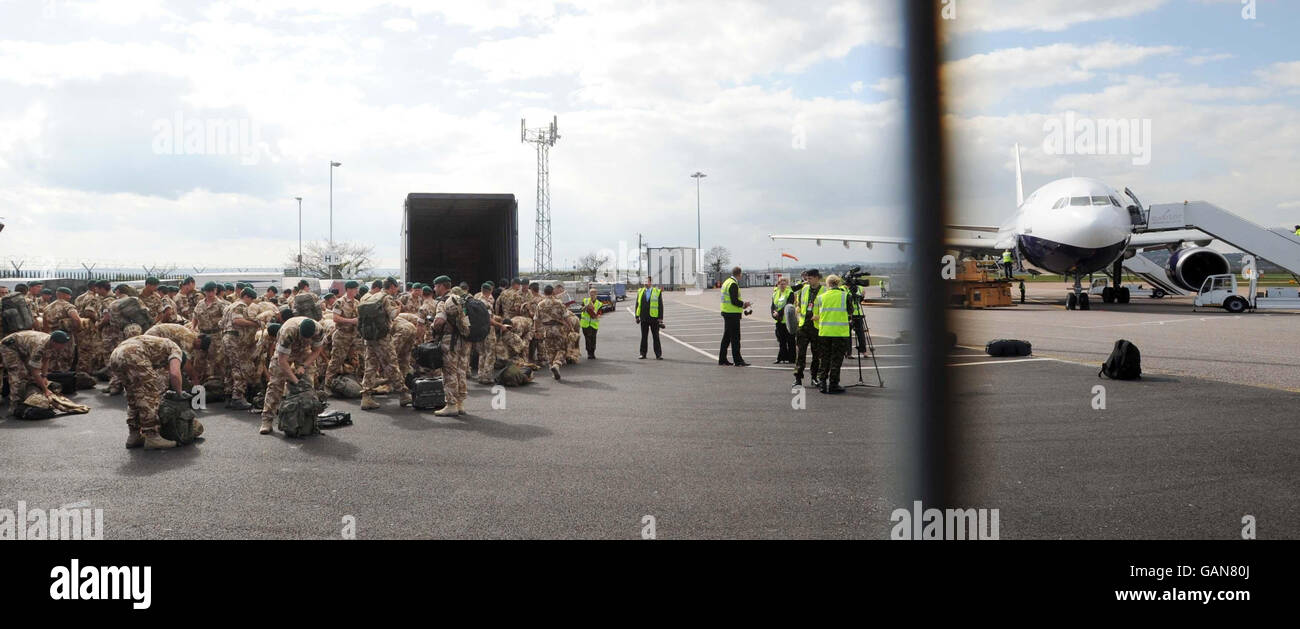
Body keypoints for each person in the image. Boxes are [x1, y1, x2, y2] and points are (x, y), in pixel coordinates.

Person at [109, 335, 189, 449]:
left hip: (115, 356)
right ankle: (152, 436)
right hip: (133, 354)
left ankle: (134, 435)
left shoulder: (160, 348)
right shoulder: (176, 351)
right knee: (149, 394)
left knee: (133, 396)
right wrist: (179, 392)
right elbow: (175, 374)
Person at [260, 316, 325, 435]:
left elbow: (316, 351)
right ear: (299, 331)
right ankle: (267, 420)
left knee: (308, 385)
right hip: (285, 353)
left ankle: (309, 421)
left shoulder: (318, 330)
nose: (306, 340)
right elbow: (282, 361)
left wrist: (303, 366)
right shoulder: (288, 331)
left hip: (304, 352)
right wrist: (295, 380)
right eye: (304, 338)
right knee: (275, 384)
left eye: (308, 338)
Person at [358, 277, 412, 410]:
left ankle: (366, 397)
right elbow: (393, 315)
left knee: (370, 365)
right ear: (392, 287)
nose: (397, 289)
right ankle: (404, 393)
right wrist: (399, 307)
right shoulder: (386, 298)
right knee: (392, 364)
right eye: (396, 287)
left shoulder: (368, 297)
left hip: (369, 336)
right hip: (382, 338)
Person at [1, 329, 70, 415]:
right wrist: (45, 390)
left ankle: (26, 396)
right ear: (54, 342)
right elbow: (35, 372)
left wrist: (44, 376)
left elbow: (45, 360)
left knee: (30, 375)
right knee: (19, 373)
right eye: (62, 344)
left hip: (23, 348)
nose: (64, 347)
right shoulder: (40, 346)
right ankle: (15, 405)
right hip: (9, 346)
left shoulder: (50, 343)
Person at [430, 275, 472, 416]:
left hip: (450, 341)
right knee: (461, 371)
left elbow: (439, 322)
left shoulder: (444, 301)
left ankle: (451, 404)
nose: (434, 289)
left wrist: (432, 326)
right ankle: (460, 404)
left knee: (449, 372)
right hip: (464, 340)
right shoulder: (461, 299)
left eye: (435, 286)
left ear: (441, 286)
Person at [220, 288, 261, 410]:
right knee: (239, 367)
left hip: (226, 337)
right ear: (247, 297)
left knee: (229, 367)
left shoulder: (229, 306)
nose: (251, 302)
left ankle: (228, 395)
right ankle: (237, 397)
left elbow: (221, 323)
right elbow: (237, 320)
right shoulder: (240, 305)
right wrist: (254, 323)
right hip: (234, 339)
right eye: (251, 299)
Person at [813, 275, 850, 393]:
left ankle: (822, 383)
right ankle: (834, 384)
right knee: (836, 359)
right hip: (840, 332)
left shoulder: (821, 297)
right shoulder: (844, 296)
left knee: (824, 359)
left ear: (827, 284)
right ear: (838, 283)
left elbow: (817, 314)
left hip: (824, 332)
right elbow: (851, 311)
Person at [325, 280, 361, 388]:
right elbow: (335, 318)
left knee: (356, 359)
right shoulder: (340, 302)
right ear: (349, 289)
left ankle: (356, 383)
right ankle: (328, 384)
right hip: (342, 336)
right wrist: (351, 321)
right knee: (336, 361)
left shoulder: (357, 303)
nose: (356, 291)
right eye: (355, 289)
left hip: (353, 335)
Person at [791, 269, 823, 388]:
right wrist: (797, 309)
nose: (807, 281)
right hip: (803, 326)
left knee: (817, 354)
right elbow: (798, 303)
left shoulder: (824, 291)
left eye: (810, 278)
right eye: (806, 278)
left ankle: (814, 377)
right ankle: (798, 378)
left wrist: (819, 316)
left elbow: (827, 309)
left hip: (816, 327)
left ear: (817, 278)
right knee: (800, 354)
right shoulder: (804, 289)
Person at [533, 285, 569, 380]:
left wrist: (536, 331)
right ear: (553, 292)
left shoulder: (540, 304)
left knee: (550, 350)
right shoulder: (559, 303)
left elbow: (536, 319)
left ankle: (553, 368)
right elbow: (566, 317)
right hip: (558, 329)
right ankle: (556, 364)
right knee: (562, 348)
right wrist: (570, 327)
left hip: (546, 329)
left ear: (544, 293)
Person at [718, 266, 751, 367]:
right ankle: (738, 360)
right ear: (739, 274)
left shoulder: (727, 282)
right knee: (735, 338)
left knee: (727, 337)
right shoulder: (733, 284)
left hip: (726, 312)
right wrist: (744, 304)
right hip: (732, 314)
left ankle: (722, 359)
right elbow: (734, 301)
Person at [42, 288, 80, 372]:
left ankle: (53, 379)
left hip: (52, 337)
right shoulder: (68, 306)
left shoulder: (47, 307)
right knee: (66, 360)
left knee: (52, 360)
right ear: (63, 295)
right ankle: (64, 379)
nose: (70, 297)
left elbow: (45, 326)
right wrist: (76, 330)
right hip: (65, 337)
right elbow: (76, 319)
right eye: (69, 295)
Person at [635, 276, 664, 359]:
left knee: (656, 337)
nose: (645, 282)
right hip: (644, 318)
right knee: (644, 337)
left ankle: (658, 355)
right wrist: (637, 316)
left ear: (650, 282)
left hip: (654, 318)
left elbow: (660, 305)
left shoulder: (657, 291)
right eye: (644, 281)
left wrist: (660, 318)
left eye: (646, 281)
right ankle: (642, 354)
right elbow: (637, 304)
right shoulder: (640, 291)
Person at [771, 277, 795, 364]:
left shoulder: (790, 293)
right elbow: (773, 306)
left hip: (788, 321)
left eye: (784, 283)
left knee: (790, 341)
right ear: (778, 285)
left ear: (787, 284)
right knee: (781, 340)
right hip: (779, 321)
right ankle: (781, 357)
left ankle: (791, 358)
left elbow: (788, 305)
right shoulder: (775, 293)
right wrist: (774, 314)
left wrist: (779, 313)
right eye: (780, 284)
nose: (782, 285)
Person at [580, 288, 602, 359]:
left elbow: (599, 314)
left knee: (593, 339)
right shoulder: (585, 301)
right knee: (588, 339)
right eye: (590, 294)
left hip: (594, 324)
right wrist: (586, 306)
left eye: (593, 294)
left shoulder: (599, 303)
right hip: (585, 324)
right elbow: (581, 309)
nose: (591, 296)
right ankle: (589, 353)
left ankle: (593, 352)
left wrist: (594, 313)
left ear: (596, 295)